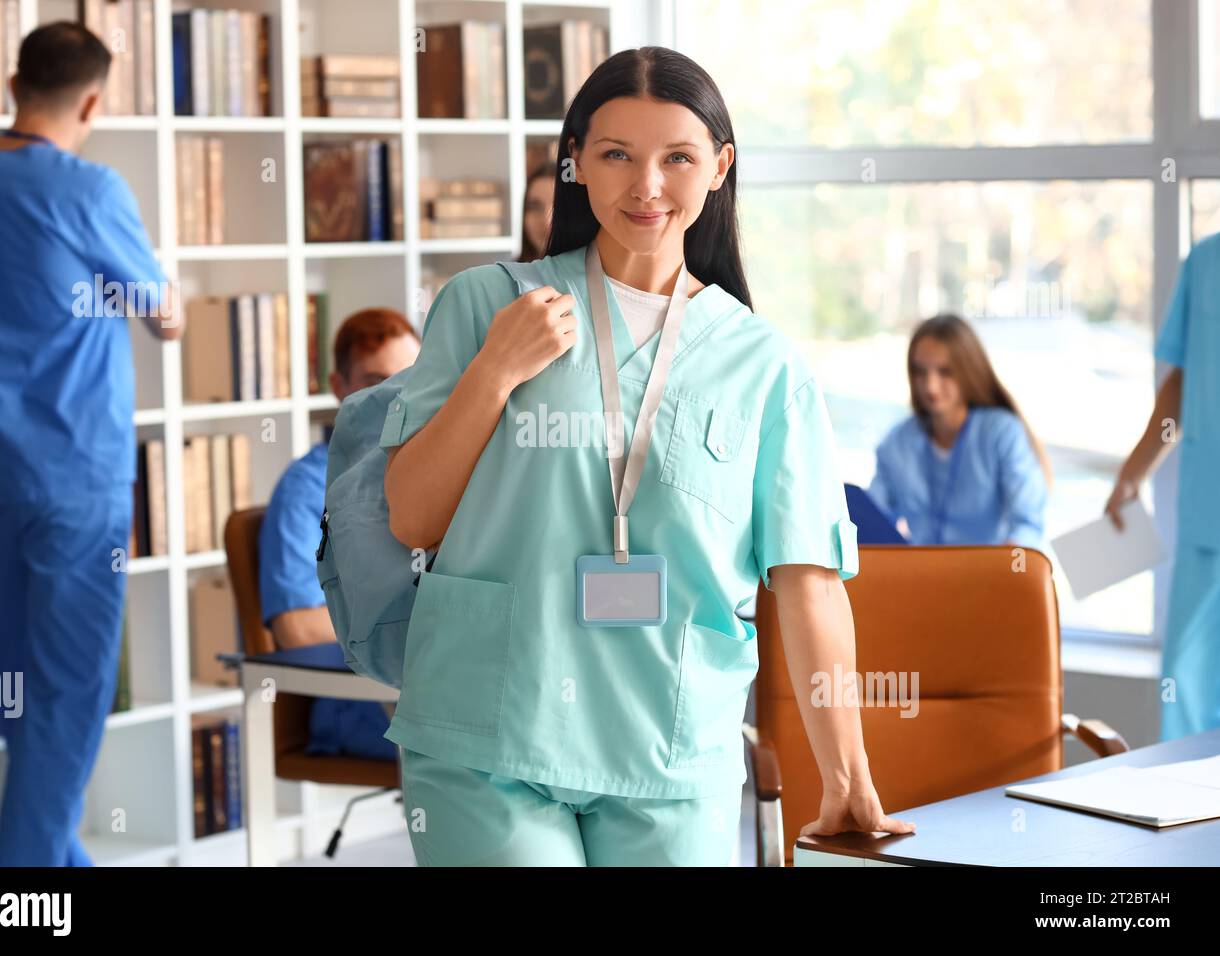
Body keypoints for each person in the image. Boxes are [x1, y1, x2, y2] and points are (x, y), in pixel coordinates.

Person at [379, 46, 913, 866]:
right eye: (616, 155)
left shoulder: (765, 365)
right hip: (490, 730)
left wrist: (846, 774)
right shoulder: (484, 304)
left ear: (720, 166)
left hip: (671, 745)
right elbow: (413, 516)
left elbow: (807, 583)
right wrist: (493, 372)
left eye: (678, 157)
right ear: (576, 164)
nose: (647, 186)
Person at [0, 22, 178, 865]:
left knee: (30, 690)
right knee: (70, 695)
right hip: (80, 477)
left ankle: (55, 864)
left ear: (10, 81)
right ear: (95, 100)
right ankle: (30, 887)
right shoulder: (90, 190)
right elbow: (164, 319)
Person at [258, 308, 419, 758]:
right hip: (361, 703)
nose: (394, 394)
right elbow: (297, 628)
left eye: (410, 376)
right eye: (374, 380)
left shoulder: (432, 471)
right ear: (338, 387)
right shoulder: (306, 489)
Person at [1105, 236, 1220, 741]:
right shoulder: (1207, 261)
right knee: (1185, 687)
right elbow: (1183, 379)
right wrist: (1135, 471)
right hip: (1207, 516)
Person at [867, 314, 1050, 549]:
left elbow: (1028, 526)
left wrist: (1004, 563)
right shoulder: (897, 443)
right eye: (920, 372)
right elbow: (872, 517)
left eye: (945, 372)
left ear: (969, 371)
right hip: (919, 577)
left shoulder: (1001, 433)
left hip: (990, 575)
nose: (930, 386)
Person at [518, 161, 557, 263]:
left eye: (559, 208)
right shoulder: (504, 277)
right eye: (535, 208)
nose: (546, 221)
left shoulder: (598, 276)